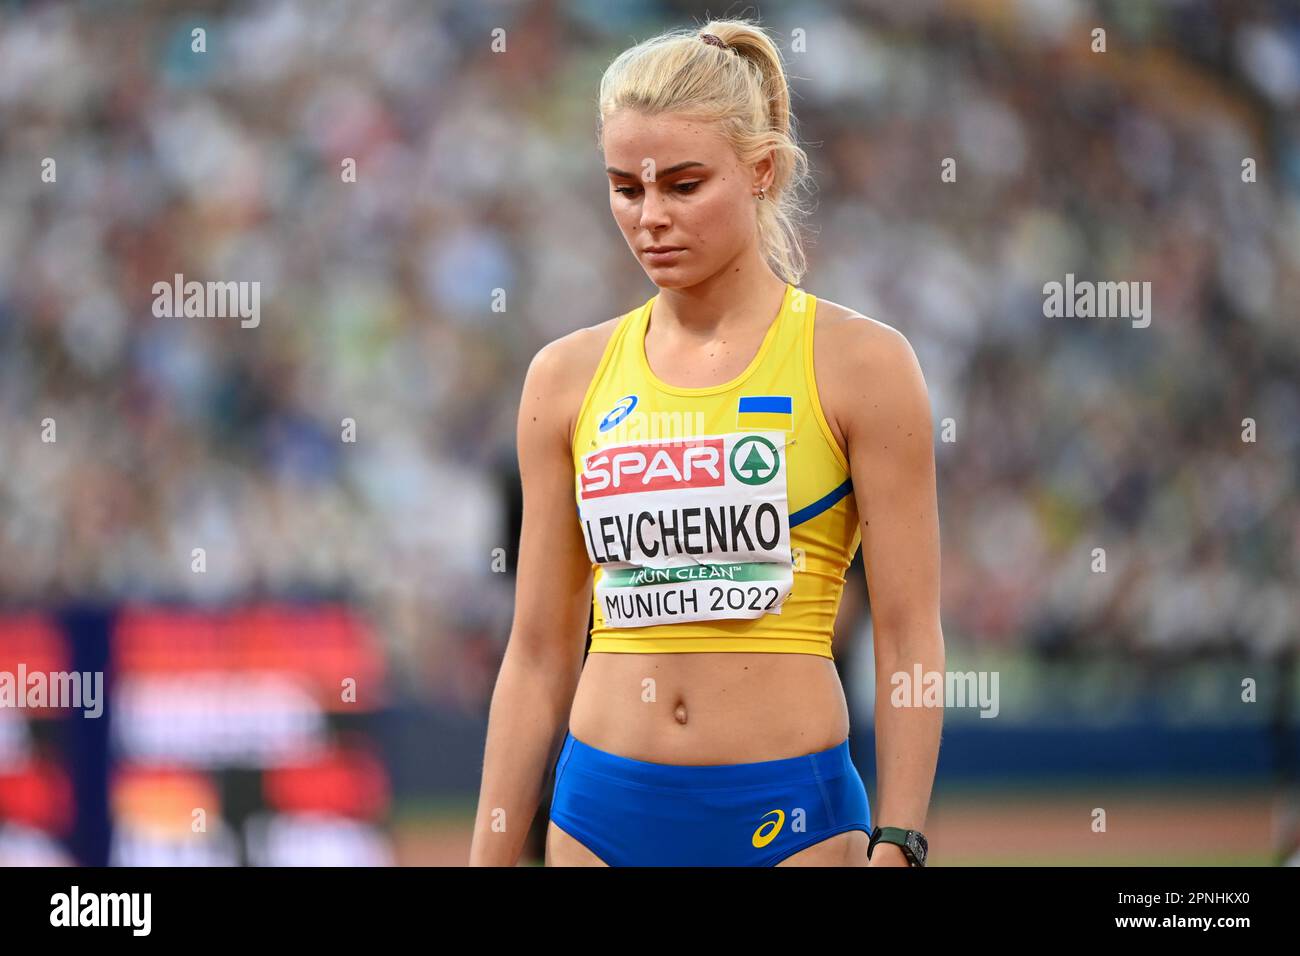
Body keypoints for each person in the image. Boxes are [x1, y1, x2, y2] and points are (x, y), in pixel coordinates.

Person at [470, 17, 943, 867]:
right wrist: (490, 856)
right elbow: (538, 654)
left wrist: (902, 838)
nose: (650, 218)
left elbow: (910, 633)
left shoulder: (863, 365)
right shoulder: (563, 380)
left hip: (788, 813)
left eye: (684, 186)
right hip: (599, 813)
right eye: (625, 187)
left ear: (761, 169)